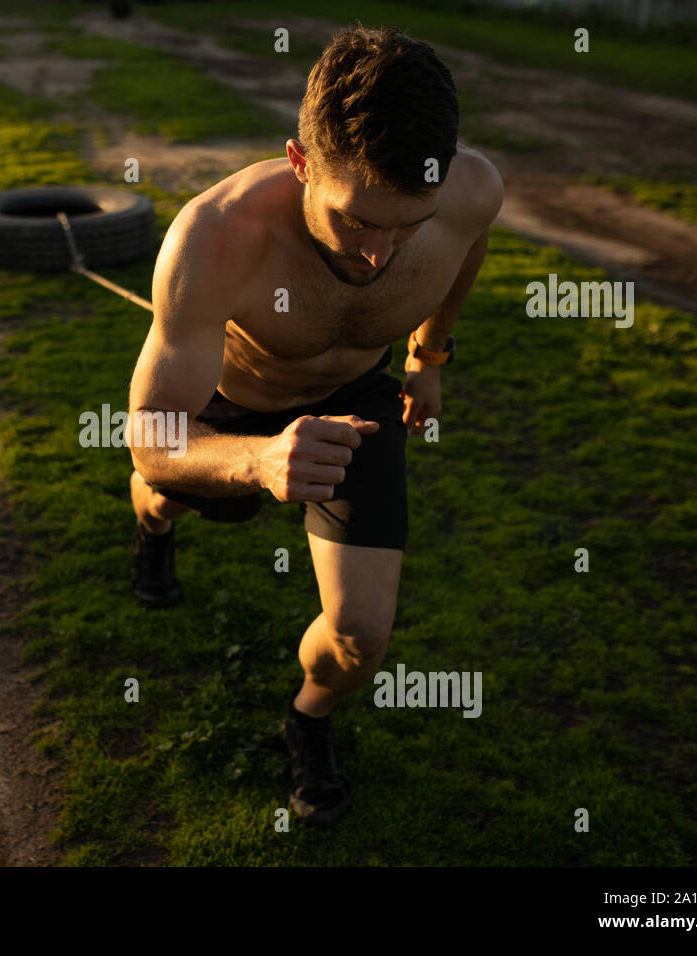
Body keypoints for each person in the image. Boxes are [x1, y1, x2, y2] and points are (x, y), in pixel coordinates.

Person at [126, 24, 503, 827]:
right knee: (166, 491)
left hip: (353, 403)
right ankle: (154, 528)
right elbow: (153, 431)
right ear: (300, 162)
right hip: (229, 412)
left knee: (363, 635)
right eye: (357, 222)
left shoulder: (470, 195)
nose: (380, 254)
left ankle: (307, 719)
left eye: (408, 223)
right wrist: (259, 460)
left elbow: (463, 254)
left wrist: (428, 357)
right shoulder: (216, 236)